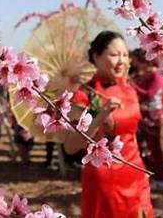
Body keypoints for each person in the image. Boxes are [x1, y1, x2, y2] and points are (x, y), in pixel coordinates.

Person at [61, 31, 153, 218]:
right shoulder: (84, 94)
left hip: (135, 172)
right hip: (104, 179)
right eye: (114, 55)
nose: (122, 61)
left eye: (125, 55)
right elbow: (70, 147)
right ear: (96, 56)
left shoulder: (128, 89)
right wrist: (100, 116)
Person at [130, 48, 163, 190]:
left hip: (152, 116)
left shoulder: (156, 76)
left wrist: (133, 86)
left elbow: (149, 94)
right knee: (144, 147)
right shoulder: (145, 75)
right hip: (143, 115)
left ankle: (161, 178)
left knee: (155, 148)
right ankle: (150, 176)